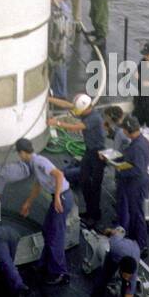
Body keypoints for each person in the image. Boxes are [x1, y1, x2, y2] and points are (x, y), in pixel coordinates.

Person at [13, 137, 72, 285]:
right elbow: (38, 184)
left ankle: (60, 272)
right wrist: (28, 203)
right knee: (47, 231)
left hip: (62, 198)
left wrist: (57, 197)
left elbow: (59, 174)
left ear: (22, 153)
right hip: (60, 197)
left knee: (55, 236)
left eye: (19, 154)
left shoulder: (39, 162)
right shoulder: (35, 162)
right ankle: (45, 264)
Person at [49, 93, 105, 229]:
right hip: (89, 152)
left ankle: (94, 215)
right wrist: (48, 99)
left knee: (94, 187)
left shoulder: (94, 118)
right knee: (84, 181)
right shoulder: (85, 109)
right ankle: (89, 212)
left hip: (97, 155)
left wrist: (56, 123)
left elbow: (75, 127)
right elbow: (67, 105)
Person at [83, 229, 142, 297]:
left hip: (134, 249)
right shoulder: (116, 246)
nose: (126, 279)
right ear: (120, 270)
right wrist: (108, 231)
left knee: (128, 293)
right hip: (115, 256)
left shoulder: (132, 275)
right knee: (102, 281)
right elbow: (115, 233)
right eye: (125, 276)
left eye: (129, 277)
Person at [113, 115, 149, 254]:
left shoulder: (137, 146)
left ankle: (142, 245)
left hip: (136, 185)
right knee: (134, 213)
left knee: (137, 215)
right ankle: (134, 239)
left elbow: (138, 169)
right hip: (135, 183)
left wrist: (120, 171)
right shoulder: (140, 142)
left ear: (128, 131)